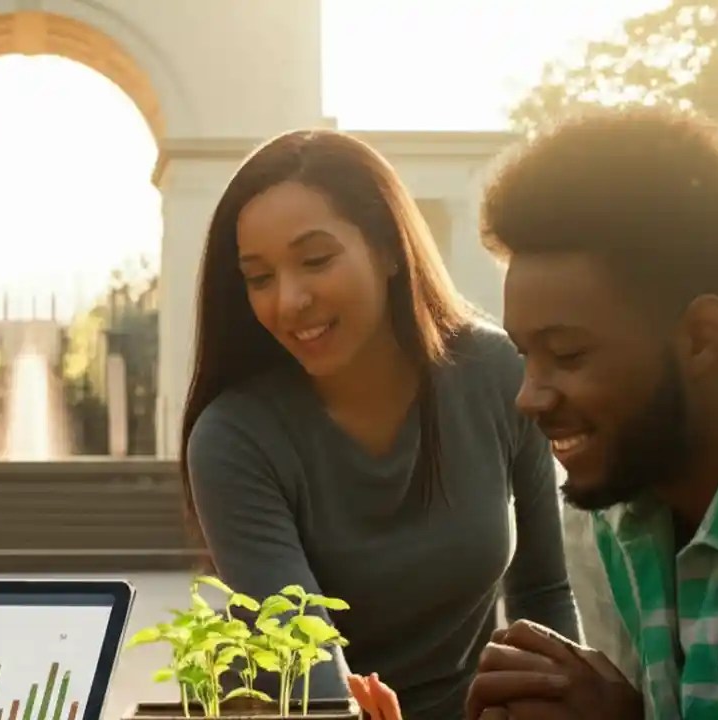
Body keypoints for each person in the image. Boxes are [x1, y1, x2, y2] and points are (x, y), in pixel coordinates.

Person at [181, 129, 581, 720]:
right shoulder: (234, 440)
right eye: (259, 278)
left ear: (391, 249)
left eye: (315, 260)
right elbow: (310, 675)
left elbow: (544, 595)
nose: (289, 300)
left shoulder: (496, 373)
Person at [463, 106, 718, 719]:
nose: (529, 396)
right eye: (526, 354)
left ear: (702, 339)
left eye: (568, 353)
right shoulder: (608, 521)